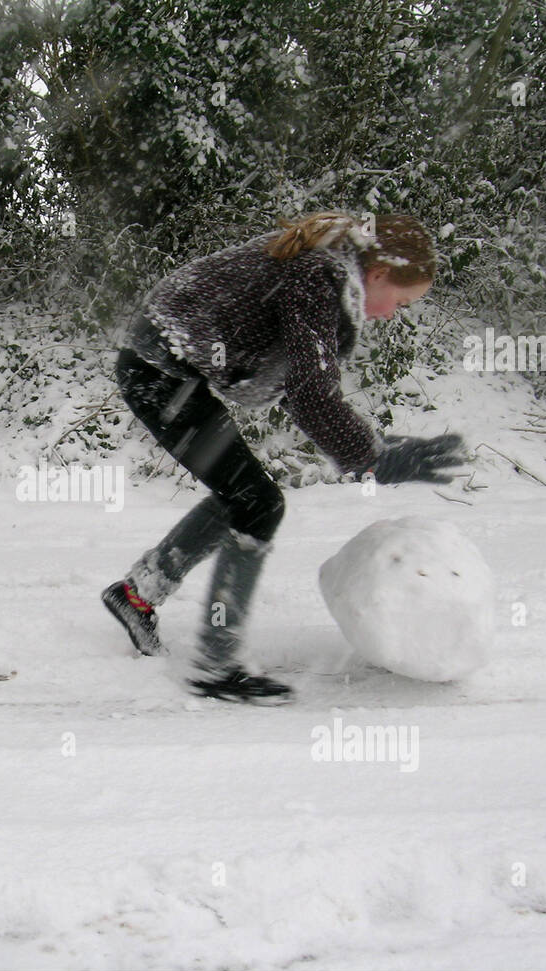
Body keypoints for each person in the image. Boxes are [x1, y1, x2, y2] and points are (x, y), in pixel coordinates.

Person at [101, 212, 469, 704]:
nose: (392, 313)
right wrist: (372, 460)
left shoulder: (328, 273)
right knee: (257, 502)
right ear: (379, 274)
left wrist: (374, 449)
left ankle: (138, 595)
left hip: (168, 369)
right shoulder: (318, 277)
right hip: (158, 374)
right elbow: (312, 394)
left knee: (247, 496)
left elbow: (305, 391)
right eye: (400, 301)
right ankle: (215, 664)